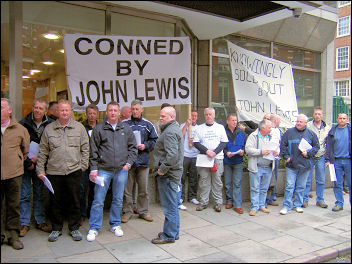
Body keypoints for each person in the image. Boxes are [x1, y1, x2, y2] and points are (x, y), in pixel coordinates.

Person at [36, 99, 90, 242]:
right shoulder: (49, 129)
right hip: (54, 172)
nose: (64, 113)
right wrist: (40, 170)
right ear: (57, 112)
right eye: (61, 110)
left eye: (67, 110)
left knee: (75, 200)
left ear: (70, 111)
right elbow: (42, 151)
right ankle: (56, 228)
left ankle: (74, 228)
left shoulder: (79, 128)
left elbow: (85, 149)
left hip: (74, 171)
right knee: (55, 202)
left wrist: (82, 167)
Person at [86, 102, 137, 242]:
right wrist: (94, 168)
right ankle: (94, 227)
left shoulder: (125, 129)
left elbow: (133, 148)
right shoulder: (99, 129)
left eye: (115, 110)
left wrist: (128, 164)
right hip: (103, 170)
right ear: (106, 112)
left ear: (119, 113)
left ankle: (115, 224)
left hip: (121, 170)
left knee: (118, 199)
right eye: (110, 110)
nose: (113, 113)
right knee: (98, 200)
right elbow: (93, 150)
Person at [19, 99, 53, 238]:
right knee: (25, 194)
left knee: (39, 193)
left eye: (41, 108)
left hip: (42, 164)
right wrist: (28, 162)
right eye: (36, 107)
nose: (38, 110)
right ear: (32, 108)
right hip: (26, 164)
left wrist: (39, 159)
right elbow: (19, 145)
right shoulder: (23, 123)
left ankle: (40, 220)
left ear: (45, 111)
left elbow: (53, 145)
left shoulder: (50, 124)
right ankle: (24, 223)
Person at [121, 100, 158, 223]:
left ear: (142, 109)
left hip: (143, 161)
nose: (135, 111)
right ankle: (127, 212)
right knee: (127, 190)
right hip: (128, 162)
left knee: (143, 189)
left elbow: (155, 140)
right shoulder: (124, 123)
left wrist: (145, 146)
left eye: (137, 109)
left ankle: (144, 212)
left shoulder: (148, 124)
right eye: (133, 109)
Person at [151, 106, 184, 244]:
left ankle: (169, 235)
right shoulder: (173, 129)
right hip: (173, 175)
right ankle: (173, 232)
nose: (160, 118)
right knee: (173, 204)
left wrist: (162, 170)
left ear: (171, 117)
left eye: (163, 116)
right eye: (160, 115)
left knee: (169, 206)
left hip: (168, 175)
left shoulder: (169, 132)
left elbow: (172, 156)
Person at [1, 98, 30, 250]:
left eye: (1, 108)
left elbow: (25, 150)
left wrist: (16, 161)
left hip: (13, 174)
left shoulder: (19, 129)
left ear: (9, 110)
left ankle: (13, 236)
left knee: (13, 205)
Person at [279, 114, 319, 215]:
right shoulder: (289, 132)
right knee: (289, 186)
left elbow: (316, 147)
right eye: (297, 121)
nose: (298, 123)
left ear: (306, 123)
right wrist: (286, 156)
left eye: (301, 122)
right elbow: (282, 145)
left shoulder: (311, 134)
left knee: (301, 186)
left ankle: (297, 205)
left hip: (305, 165)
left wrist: (309, 153)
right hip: (291, 165)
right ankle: (286, 206)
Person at [193, 107, 228, 212]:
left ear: (214, 115)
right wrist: (207, 151)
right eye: (206, 114)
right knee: (204, 181)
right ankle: (203, 202)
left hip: (217, 158)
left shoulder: (220, 127)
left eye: (210, 114)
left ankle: (218, 203)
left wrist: (214, 152)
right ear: (204, 116)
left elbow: (224, 142)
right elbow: (196, 142)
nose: (208, 116)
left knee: (217, 181)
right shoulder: (199, 128)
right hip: (204, 158)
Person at [245, 119, 278, 216]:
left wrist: (276, 152)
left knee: (264, 188)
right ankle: (254, 207)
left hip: (268, 167)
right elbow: (248, 149)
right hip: (257, 166)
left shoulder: (271, 137)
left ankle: (262, 205)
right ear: (263, 128)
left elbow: (277, 147)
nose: (271, 129)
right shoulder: (253, 136)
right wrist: (260, 151)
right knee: (255, 188)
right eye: (269, 127)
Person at [302, 106, 330, 209]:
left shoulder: (327, 127)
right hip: (310, 156)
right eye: (315, 114)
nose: (317, 115)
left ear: (322, 115)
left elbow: (329, 143)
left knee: (321, 180)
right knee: (307, 179)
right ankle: (305, 199)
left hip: (321, 157)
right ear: (313, 115)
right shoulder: (308, 126)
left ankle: (320, 200)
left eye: (319, 114)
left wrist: (328, 156)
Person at [325, 113, 351, 212]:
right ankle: (339, 203)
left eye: (344, 118)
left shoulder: (349, 130)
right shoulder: (333, 131)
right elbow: (329, 147)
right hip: (336, 161)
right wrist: (328, 160)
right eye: (340, 118)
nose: (342, 120)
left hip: (348, 160)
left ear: (347, 119)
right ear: (337, 119)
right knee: (337, 183)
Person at [79, 104, 99, 223]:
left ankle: (91, 211)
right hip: (83, 162)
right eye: (90, 113)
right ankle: (81, 213)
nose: (92, 116)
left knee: (94, 189)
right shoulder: (81, 127)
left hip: (96, 163)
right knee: (81, 189)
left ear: (97, 114)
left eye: (94, 113)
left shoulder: (101, 127)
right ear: (87, 114)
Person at [223, 113, 245, 214]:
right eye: (232, 120)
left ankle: (238, 205)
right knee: (227, 183)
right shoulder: (223, 131)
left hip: (238, 161)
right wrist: (226, 152)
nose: (235, 122)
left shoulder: (241, 132)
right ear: (228, 121)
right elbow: (221, 144)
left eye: (236, 120)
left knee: (237, 183)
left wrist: (243, 151)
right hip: (227, 161)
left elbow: (245, 145)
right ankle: (229, 201)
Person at [180, 109, 200, 205]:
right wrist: (186, 125)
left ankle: (192, 196)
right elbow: (180, 136)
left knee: (193, 177)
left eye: (195, 116)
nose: (193, 117)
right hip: (185, 155)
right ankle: (181, 197)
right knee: (182, 177)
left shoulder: (199, 128)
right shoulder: (183, 125)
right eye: (192, 115)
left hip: (195, 155)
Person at [266, 114, 282, 207]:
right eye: (279, 120)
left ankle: (272, 198)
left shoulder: (278, 131)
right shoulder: (268, 130)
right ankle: (266, 199)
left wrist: (278, 152)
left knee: (274, 179)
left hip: (275, 158)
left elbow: (278, 144)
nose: (280, 122)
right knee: (268, 179)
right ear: (275, 120)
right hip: (268, 158)